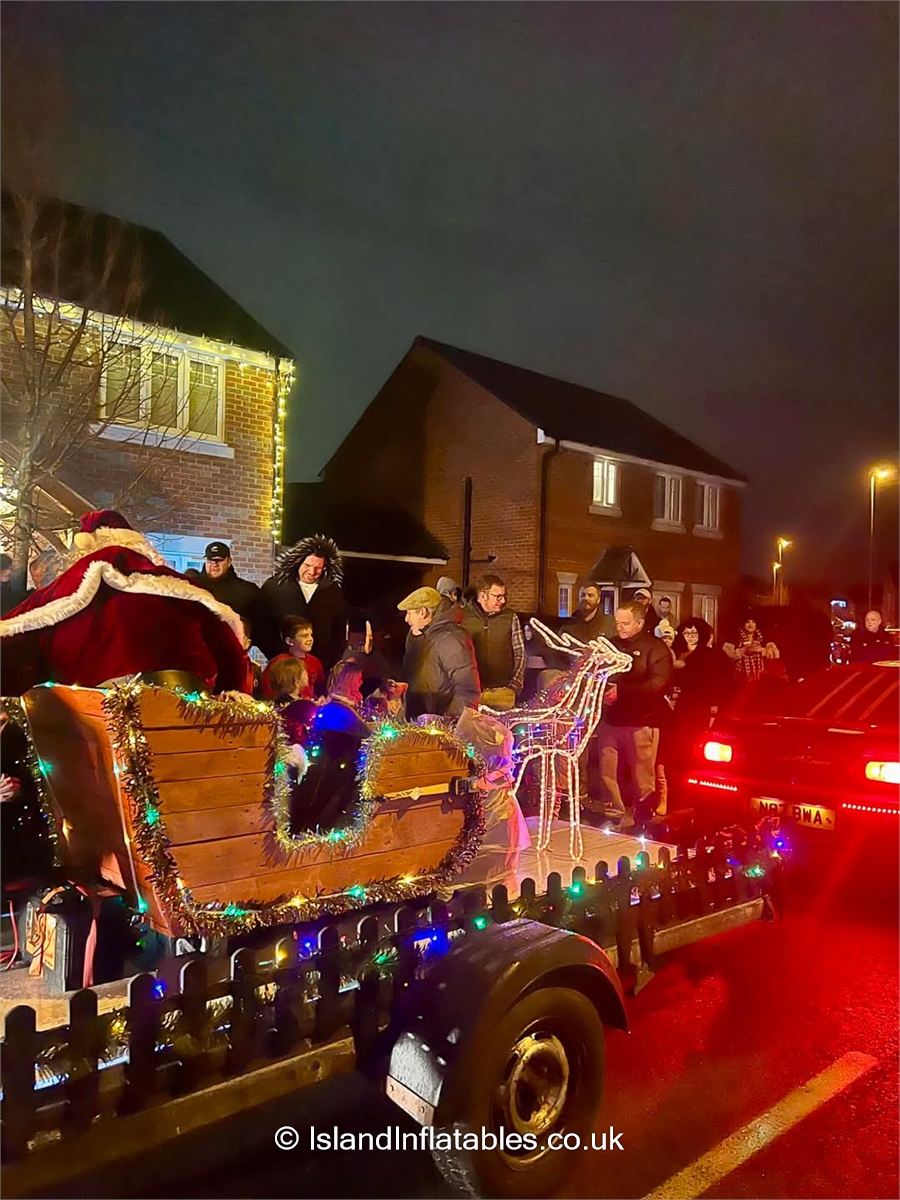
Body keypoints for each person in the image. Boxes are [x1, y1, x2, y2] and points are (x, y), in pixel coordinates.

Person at [0, 510, 252, 696]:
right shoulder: (180, 588)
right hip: (186, 704)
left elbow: (16, 636)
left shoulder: (67, 588)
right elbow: (230, 651)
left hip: (91, 719)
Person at [593, 599, 674, 829]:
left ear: (639, 623)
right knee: (607, 769)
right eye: (618, 623)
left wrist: (622, 691)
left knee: (642, 773)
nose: (620, 628)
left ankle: (644, 814)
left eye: (625, 623)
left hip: (642, 720)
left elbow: (659, 683)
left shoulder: (655, 648)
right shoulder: (610, 645)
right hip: (611, 719)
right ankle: (613, 812)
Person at [259, 534, 347, 672]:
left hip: (319, 668)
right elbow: (262, 627)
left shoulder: (332, 590)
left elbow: (339, 630)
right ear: (298, 562)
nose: (312, 572)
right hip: (283, 666)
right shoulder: (275, 587)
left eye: (318, 568)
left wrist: (331, 661)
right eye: (308, 565)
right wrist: (277, 654)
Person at [399, 586, 481, 720]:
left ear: (423, 613)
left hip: (441, 727)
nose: (406, 619)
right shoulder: (417, 635)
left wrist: (449, 724)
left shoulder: (451, 638)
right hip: (419, 723)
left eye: (409, 613)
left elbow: (467, 690)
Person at [461, 574, 525, 711]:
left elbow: (520, 654)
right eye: (498, 596)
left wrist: (514, 686)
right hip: (471, 693)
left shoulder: (510, 617)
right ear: (483, 596)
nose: (502, 600)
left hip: (502, 692)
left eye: (503, 595)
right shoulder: (462, 617)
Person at [194, 541, 265, 645]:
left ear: (229, 561)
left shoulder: (246, 591)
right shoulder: (193, 586)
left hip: (230, 649)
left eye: (219, 560)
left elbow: (261, 629)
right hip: (197, 649)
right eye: (210, 560)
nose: (214, 564)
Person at [261, 615, 326, 699]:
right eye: (304, 636)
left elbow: (320, 687)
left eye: (311, 635)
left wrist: (322, 697)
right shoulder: (279, 663)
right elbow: (268, 691)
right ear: (289, 641)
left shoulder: (315, 662)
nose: (310, 639)